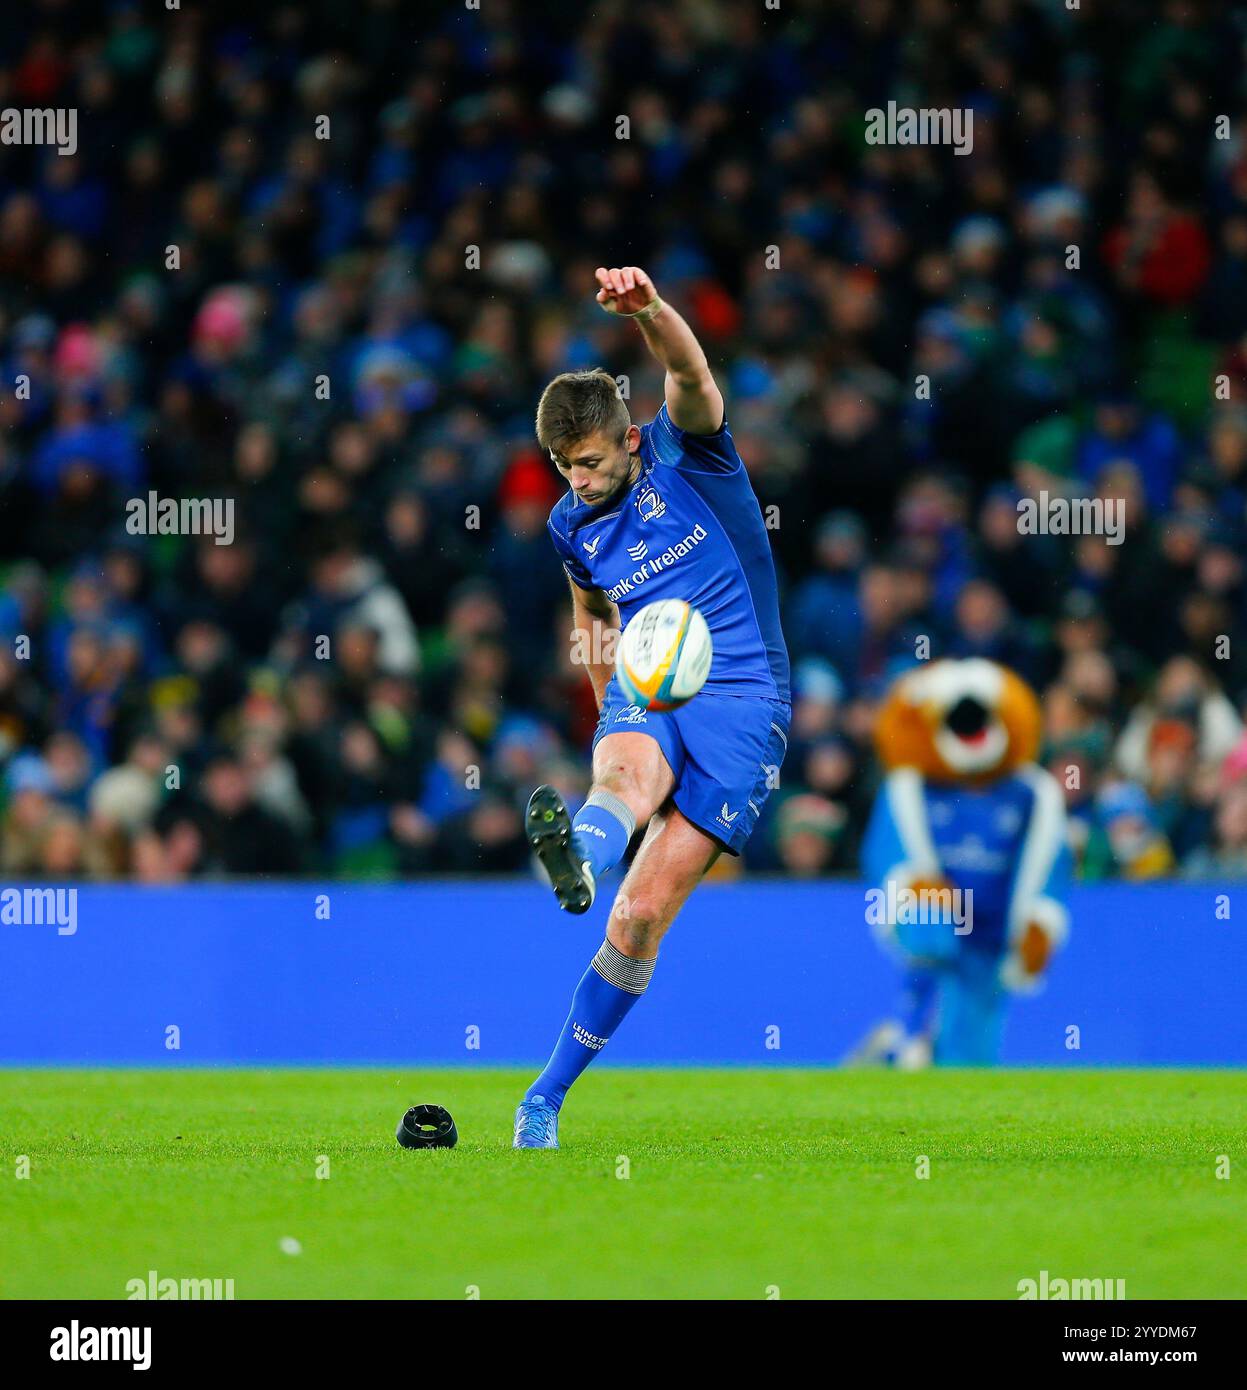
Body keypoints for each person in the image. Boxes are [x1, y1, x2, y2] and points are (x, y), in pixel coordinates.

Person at [513, 267, 791, 1148]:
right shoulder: (571, 524)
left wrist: (653, 314)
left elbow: (693, 379)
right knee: (623, 771)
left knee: (638, 919)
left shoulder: (689, 455)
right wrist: (606, 707)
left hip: (745, 699)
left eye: (589, 462)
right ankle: (583, 859)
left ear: (628, 441)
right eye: (562, 467)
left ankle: (549, 1088)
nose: (577, 480)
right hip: (649, 681)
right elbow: (591, 614)